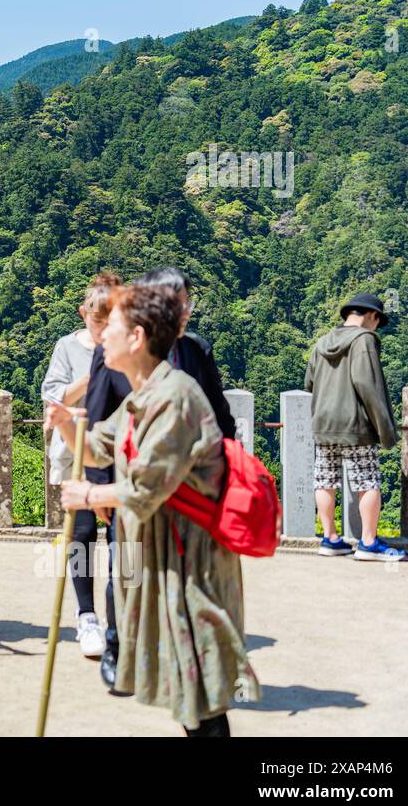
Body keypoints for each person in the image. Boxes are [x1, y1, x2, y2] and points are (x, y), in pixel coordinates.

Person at [47, 283, 259, 736]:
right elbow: (100, 448)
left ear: (137, 338)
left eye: (114, 326)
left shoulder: (176, 398)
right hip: (164, 558)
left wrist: (89, 497)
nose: (102, 334)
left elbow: (147, 488)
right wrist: (67, 427)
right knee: (186, 687)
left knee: (200, 690)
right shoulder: (144, 395)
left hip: (193, 561)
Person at [75, 266, 236, 691]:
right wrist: (74, 440)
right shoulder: (137, 380)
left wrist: (91, 494)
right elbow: (99, 429)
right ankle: (119, 649)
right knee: (125, 580)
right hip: (137, 509)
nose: (181, 310)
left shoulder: (180, 380)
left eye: (183, 302)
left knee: (196, 681)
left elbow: (219, 421)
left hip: (183, 524)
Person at [41, 273, 119, 659]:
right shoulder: (67, 347)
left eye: (111, 319)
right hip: (75, 453)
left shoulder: (127, 347)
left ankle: (119, 620)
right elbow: (52, 396)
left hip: (116, 452)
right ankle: (87, 615)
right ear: (83, 313)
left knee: (123, 541)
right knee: (82, 533)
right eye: (96, 319)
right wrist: (92, 377)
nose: (103, 327)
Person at [304, 293, 404, 561]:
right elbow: (368, 385)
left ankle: (330, 539)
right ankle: (368, 543)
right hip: (355, 425)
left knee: (325, 480)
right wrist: (385, 429)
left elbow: (309, 383)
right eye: (377, 321)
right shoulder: (364, 340)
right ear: (372, 316)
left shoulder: (322, 342)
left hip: (323, 424)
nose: (376, 327)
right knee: (367, 480)